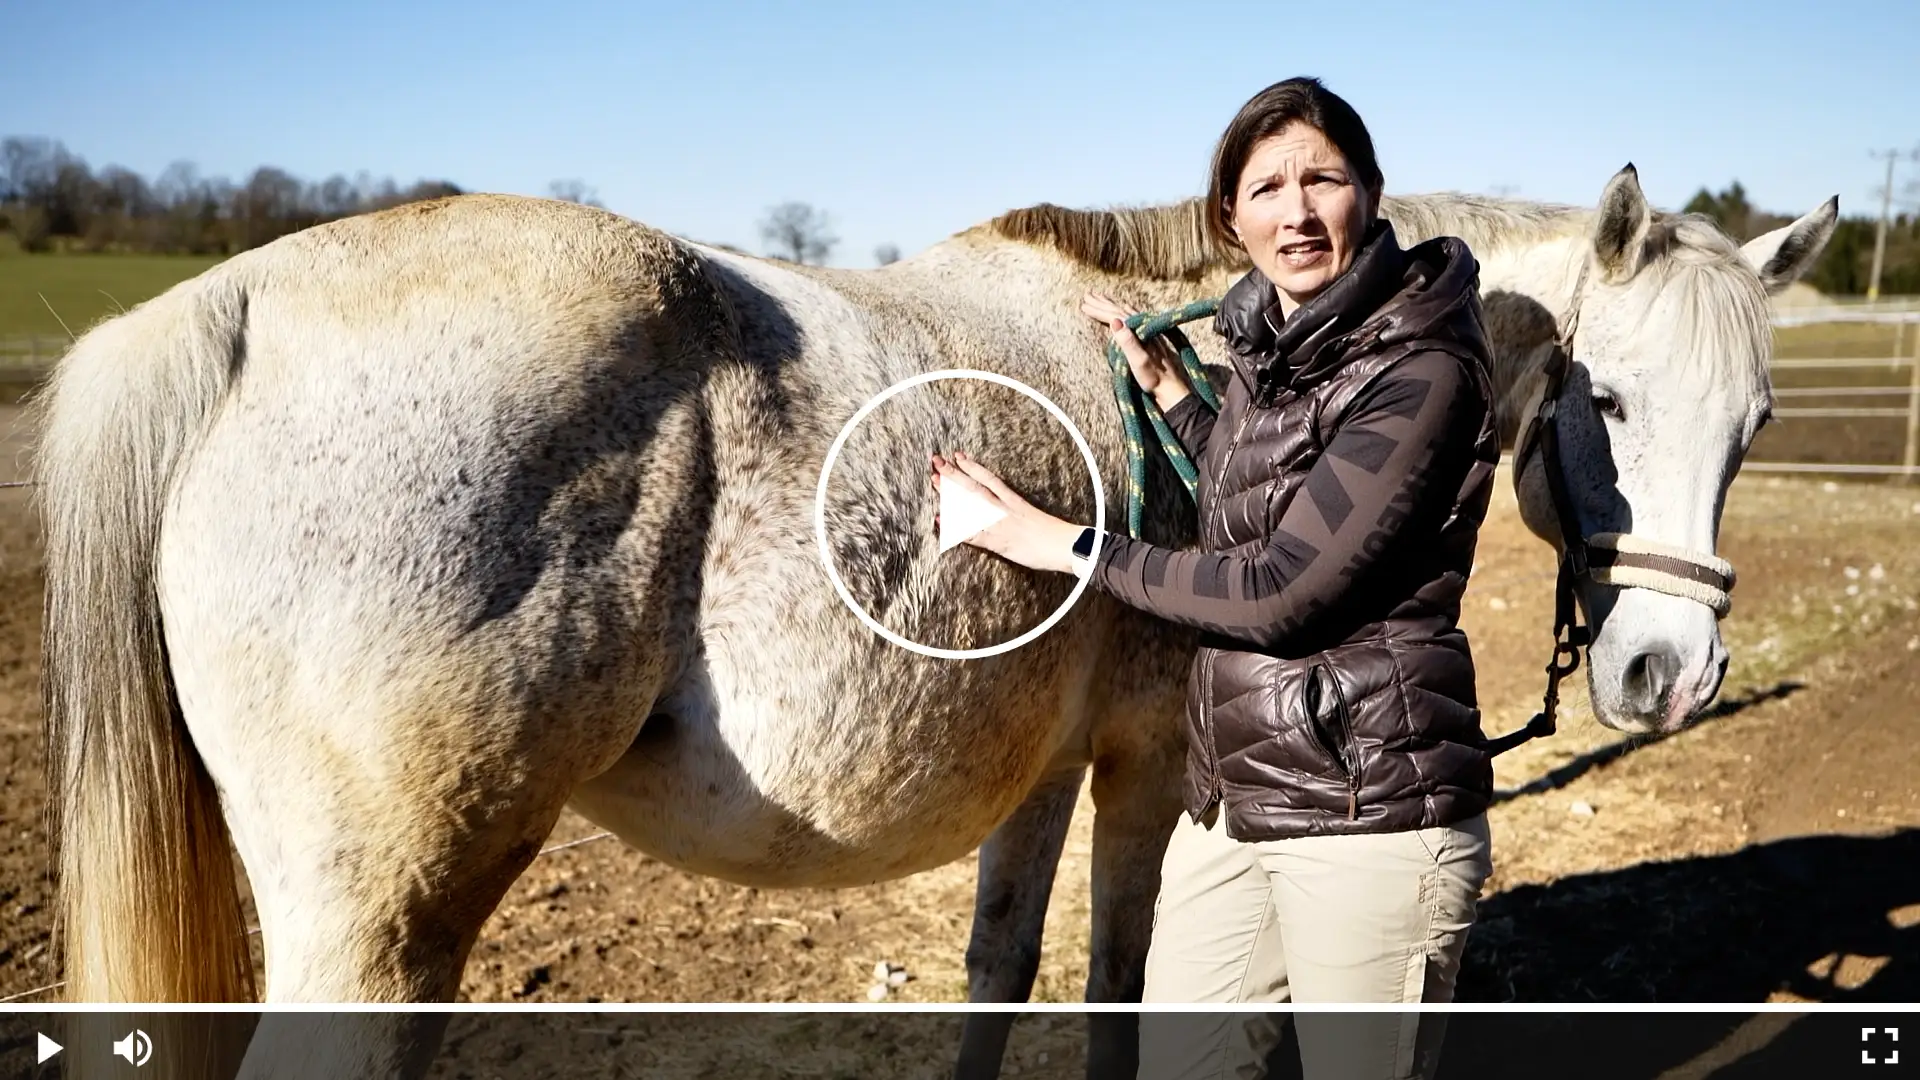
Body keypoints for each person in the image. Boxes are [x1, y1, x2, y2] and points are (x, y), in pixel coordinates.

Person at [930, 77, 1500, 1079]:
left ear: (1370, 192)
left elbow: (1282, 585)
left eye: (1322, 178)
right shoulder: (1279, 354)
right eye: (1267, 186)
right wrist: (1173, 393)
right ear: (1228, 217)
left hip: (1368, 811)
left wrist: (1058, 541)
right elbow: (1272, 480)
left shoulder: (1422, 369)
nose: (1297, 210)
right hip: (1236, 800)